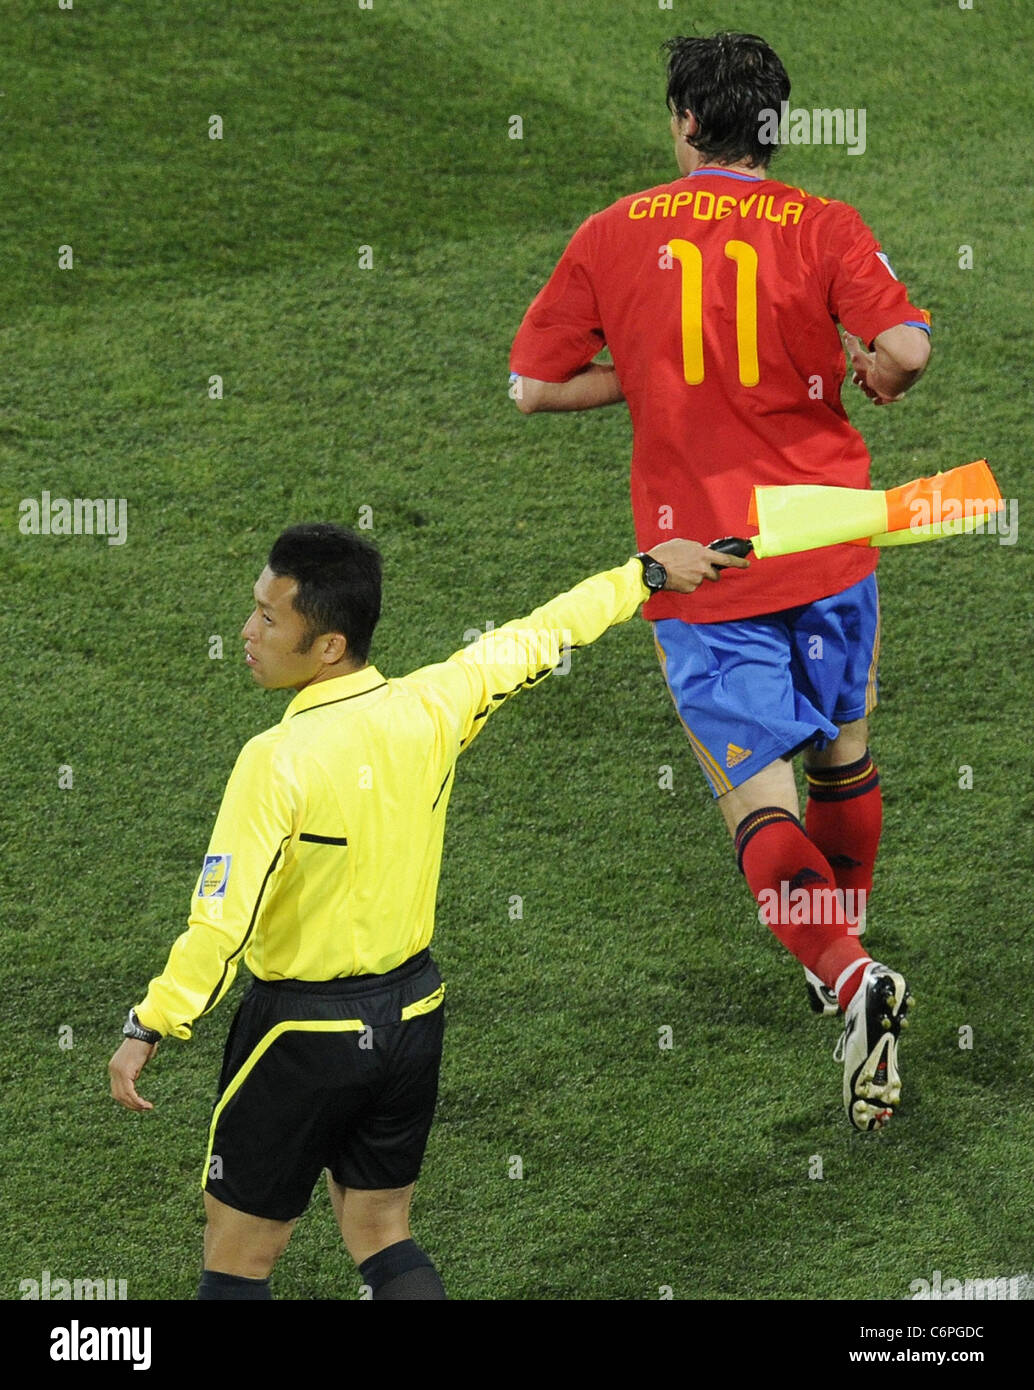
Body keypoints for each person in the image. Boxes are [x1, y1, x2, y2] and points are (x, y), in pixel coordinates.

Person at [108, 523, 746, 1300]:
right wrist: (645, 573)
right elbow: (539, 636)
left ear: (330, 645)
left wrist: (153, 1023)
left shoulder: (274, 761)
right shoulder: (434, 705)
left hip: (300, 1033)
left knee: (238, 1255)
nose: (246, 632)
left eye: (270, 619)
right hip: (412, 1014)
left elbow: (223, 924)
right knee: (380, 1231)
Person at [509, 32, 931, 1130]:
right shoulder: (822, 224)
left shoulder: (614, 232)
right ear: (774, 130)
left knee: (758, 798)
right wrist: (871, 372)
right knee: (843, 750)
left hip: (706, 563)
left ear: (683, 124)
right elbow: (906, 349)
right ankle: (842, 935)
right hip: (829, 536)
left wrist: (650, 379)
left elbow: (532, 385)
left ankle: (848, 976)